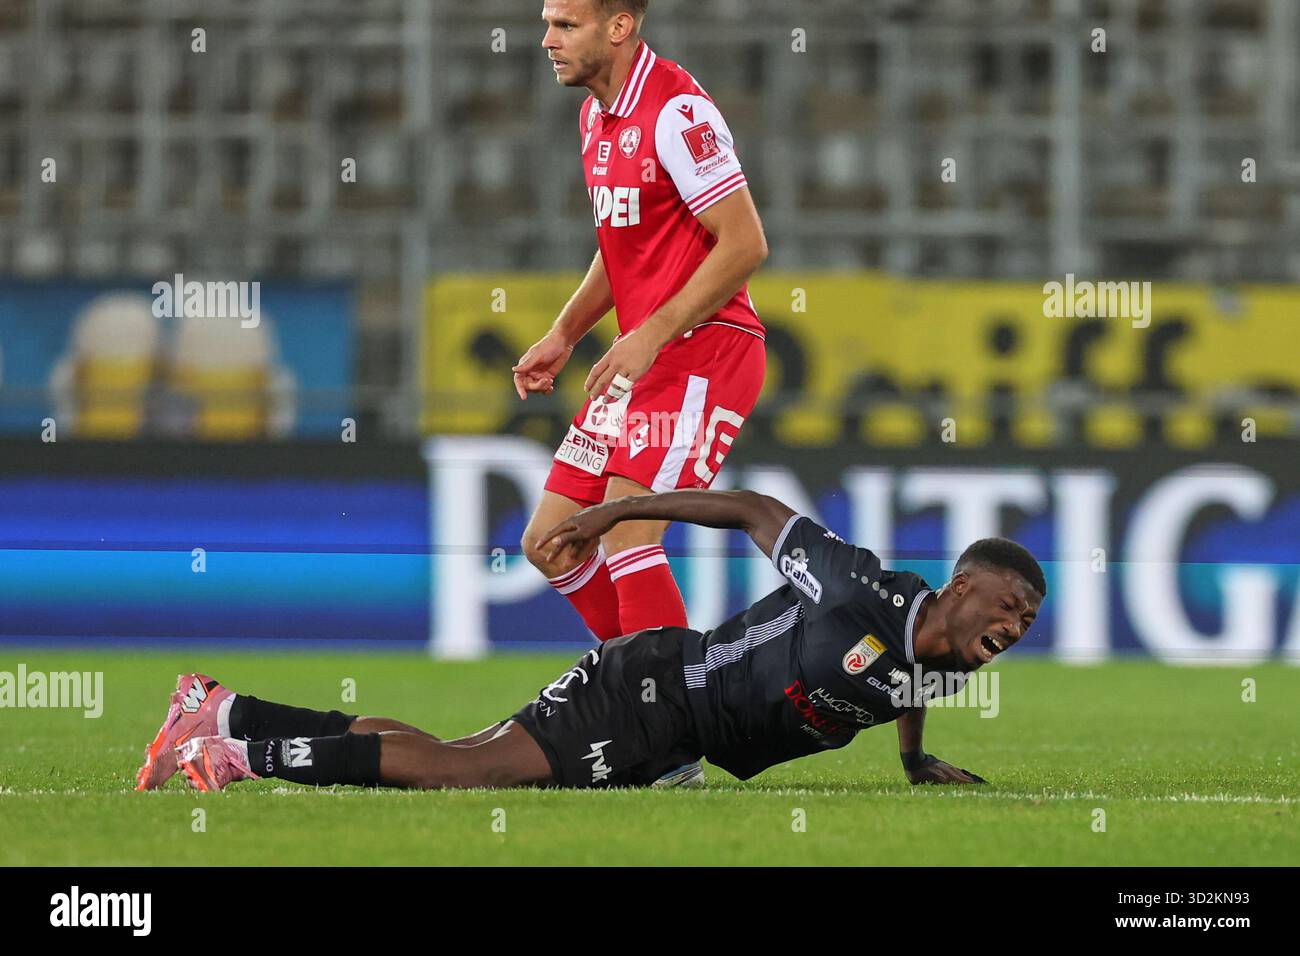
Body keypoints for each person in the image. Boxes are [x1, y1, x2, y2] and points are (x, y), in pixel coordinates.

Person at [134, 489, 1045, 793]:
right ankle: (238, 754)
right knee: (470, 774)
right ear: (961, 587)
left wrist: (916, 765)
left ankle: (219, 709)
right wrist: (619, 511)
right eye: (1008, 610)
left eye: (1027, 627)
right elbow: (753, 511)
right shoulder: (859, 588)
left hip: (674, 731)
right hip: (656, 693)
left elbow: (907, 694)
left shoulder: (944, 663)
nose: (1011, 632)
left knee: (456, 756)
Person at [514, 0, 769, 653]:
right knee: (549, 542)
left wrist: (650, 333)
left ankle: (669, 737)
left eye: (565, 25)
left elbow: (743, 244)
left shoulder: (677, 113)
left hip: (704, 352)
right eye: (548, 22)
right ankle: (638, 698)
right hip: (649, 358)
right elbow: (622, 241)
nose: (547, 39)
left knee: (630, 533)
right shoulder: (595, 116)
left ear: (620, 26)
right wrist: (566, 332)